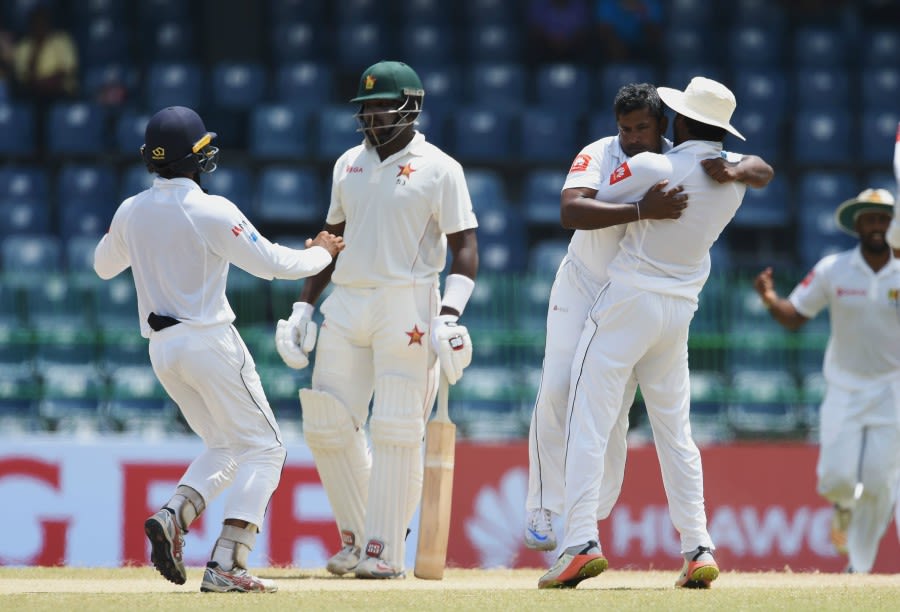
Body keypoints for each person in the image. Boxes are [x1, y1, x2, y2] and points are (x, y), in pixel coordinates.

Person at [94, 105, 345, 593]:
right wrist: (324, 251)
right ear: (197, 157)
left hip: (163, 350)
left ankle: (173, 516)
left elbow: (104, 266)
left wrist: (138, 240)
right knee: (267, 449)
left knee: (227, 447)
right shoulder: (211, 209)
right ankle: (228, 564)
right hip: (208, 341)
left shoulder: (130, 210)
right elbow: (274, 264)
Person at [525, 83, 774, 553]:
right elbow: (570, 210)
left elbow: (758, 168)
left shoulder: (671, 160)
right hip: (582, 283)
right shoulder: (601, 152)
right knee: (558, 386)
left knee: (613, 411)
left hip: (625, 296)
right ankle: (543, 505)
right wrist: (642, 209)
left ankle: (591, 513)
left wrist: (736, 165)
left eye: (642, 127)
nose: (633, 136)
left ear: (666, 123)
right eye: (625, 129)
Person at [274, 60, 478, 579]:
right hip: (346, 301)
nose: (372, 117)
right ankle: (359, 536)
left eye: (382, 107)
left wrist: (451, 313)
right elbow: (330, 242)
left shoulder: (440, 167)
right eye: (365, 108)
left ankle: (383, 550)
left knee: (395, 427)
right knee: (325, 421)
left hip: (407, 304)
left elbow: (466, 247)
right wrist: (304, 304)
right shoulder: (347, 164)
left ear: (411, 106)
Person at [753, 187, 900, 573]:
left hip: (892, 390)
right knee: (836, 479)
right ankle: (842, 505)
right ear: (857, 224)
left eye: (884, 218)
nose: (876, 225)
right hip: (845, 387)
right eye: (869, 218)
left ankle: (858, 566)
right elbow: (796, 316)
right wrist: (770, 299)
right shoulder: (833, 269)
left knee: (879, 484)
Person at [12, 4, 78, 101]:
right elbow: (25, 77)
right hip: (34, 91)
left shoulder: (61, 40)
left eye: (43, 22)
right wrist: (37, 47)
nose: (40, 25)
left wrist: (45, 83)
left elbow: (67, 70)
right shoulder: (24, 45)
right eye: (36, 22)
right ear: (31, 24)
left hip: (59, 89)